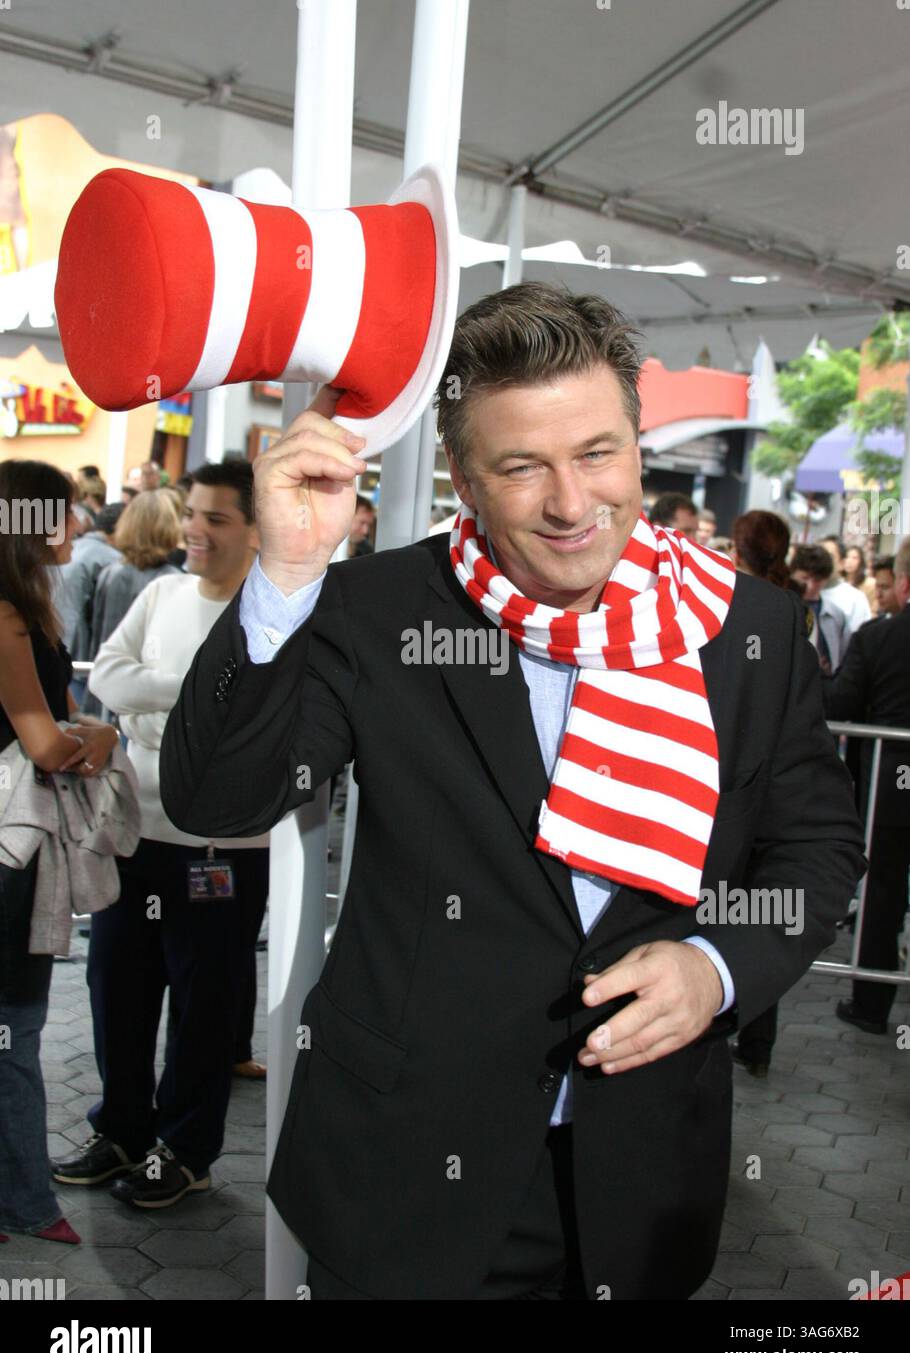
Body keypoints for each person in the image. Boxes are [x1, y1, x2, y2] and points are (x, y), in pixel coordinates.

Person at [160, 283, 865, 1301]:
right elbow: (216, 799)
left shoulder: (746, 627)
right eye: (522, 466)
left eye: (597, 453)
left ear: (637, 439)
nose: (572, 504)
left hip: (639, 1177)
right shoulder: (376, 608)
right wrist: (281, 576)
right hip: (404, 1170)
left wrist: (716, 968)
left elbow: (816, 852)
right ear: (462, 477)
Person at [51, 463, 270, 1207]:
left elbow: (247, 713)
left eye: (216, 518)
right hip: (133, 834)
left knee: (204, 1008)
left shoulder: (269, 619)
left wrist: (156, 713)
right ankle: (120, 1131)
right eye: (193, 514)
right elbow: (109, 678)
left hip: (222, 852)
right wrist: (191, 705)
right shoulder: (162, 593)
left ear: (256, 529)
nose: (195, 531)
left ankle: (182, 1151)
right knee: (116, 986)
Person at [0, 459, 120, 1246]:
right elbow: (50, 741)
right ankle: (26, 1201)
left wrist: (89, 734)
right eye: (66, 512)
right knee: (17, 1029)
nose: (78, 525)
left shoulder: (27, 611)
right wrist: (99, 738)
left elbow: (62, 723)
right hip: (12, 854)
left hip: (20, 851)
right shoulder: (10, 616)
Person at [821, 537, 910, 1034]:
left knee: (883, 894)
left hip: (891, 791)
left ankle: (872, 1003)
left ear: (903, 583)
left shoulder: (879, 637)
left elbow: (841, 704)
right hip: (891, 782)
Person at [727, 511, 804, 1079]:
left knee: (755, 900)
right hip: (750, 790)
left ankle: (744, 1025)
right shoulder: (791, 608)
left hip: (749, 788)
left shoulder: (745, 607)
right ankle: (757, 1037)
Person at [79, 491, 182, 720]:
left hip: (106, 688)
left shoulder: (110, 574)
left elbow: (98, 632)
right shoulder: (174, 581)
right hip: (146, 701)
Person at [56, 502, 124, 707]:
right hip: (80, 657)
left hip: (64, 650)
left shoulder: (77, 550)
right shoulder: (111, 560)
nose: (76, 523)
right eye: (69, 514)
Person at [790, 544, 850, 675]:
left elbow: (843, 655)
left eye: (817, 580)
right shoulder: (784, 606)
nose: (810, 586)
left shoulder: (835, 615)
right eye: (804, 578)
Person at [820, 536, 872, 636]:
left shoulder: (855, 599)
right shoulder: (804, 592)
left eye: (829, 557)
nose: (822, 562)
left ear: (842, 563)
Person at [843, 544, 877, 611]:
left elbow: (873, 610)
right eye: (847, 557)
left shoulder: (870, 584)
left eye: (854, 558)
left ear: (861, 561)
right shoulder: (839, 582)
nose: (849, 561)